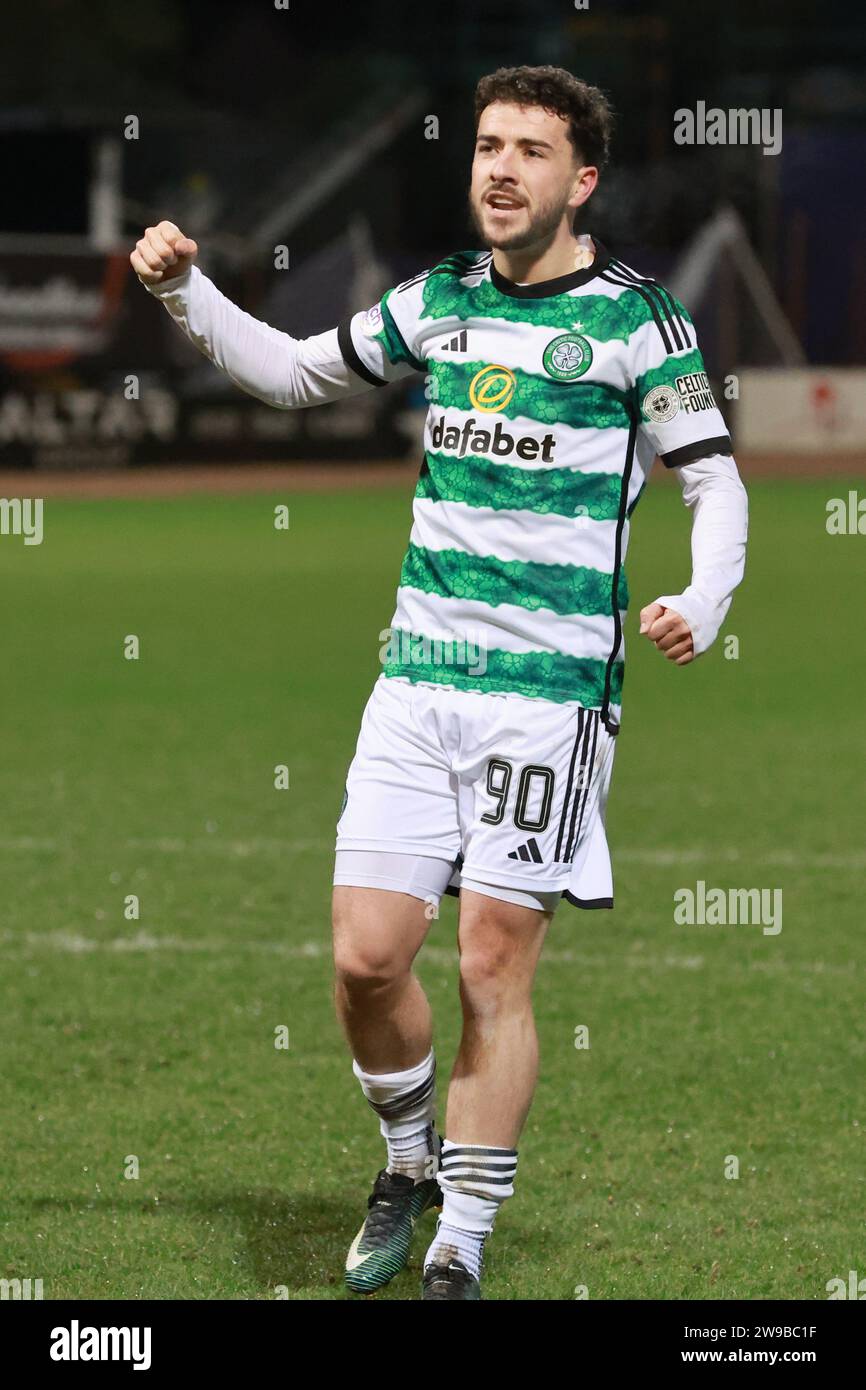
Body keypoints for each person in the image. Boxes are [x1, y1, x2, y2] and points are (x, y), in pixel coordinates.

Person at [131, 64, 748, 1301]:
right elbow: (296, 374)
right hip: (415, 680)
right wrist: (187, 290)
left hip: (549, 692)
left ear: (580, 181)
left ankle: (460, 1239)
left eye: (529, 150)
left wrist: (703, 593)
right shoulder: (436, 303)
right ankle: (407, 1159)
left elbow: (713, 481)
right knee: (365, 961)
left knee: (487, 965)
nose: (499, 168)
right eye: (484, 146)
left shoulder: (639, 321)